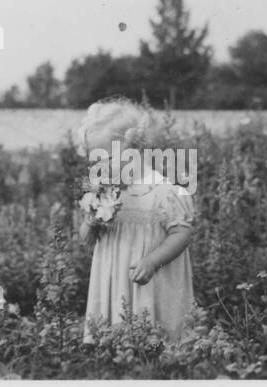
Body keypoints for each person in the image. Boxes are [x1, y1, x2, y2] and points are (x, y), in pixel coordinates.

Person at [75, 97, 194, 341]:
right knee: (115, 338)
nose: (100, 167)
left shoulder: (163, 191)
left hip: (150, 281)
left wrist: (152, 261)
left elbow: (181, 233)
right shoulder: (103, 191)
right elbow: (85, 239)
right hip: (114, 281)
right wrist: (90, 220)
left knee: (154, 335)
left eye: (107, 158)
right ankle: (113, 346)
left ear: (136, 149)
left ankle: (157, 350)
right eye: (94, 161)